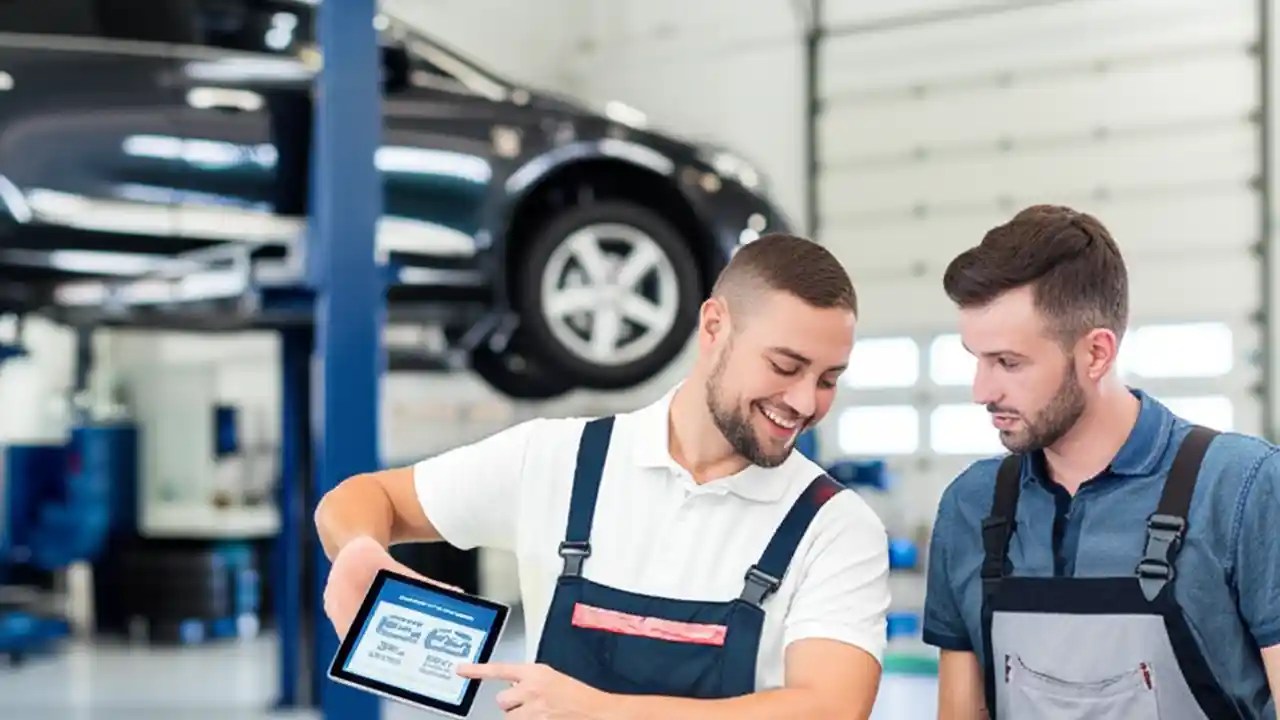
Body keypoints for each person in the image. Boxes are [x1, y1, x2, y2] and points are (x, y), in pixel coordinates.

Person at [316, 232, 891, 719]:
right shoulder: (555, 459)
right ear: (714, 327)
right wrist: (360, 554)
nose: (804, 401)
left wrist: (598, 709)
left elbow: (829, 708)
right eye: (785, 366)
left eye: (828, 379)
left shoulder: (833, 526)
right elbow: (363, 499)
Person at [922, 204, 1280, 719]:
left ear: (1096, 354)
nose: (982, 390)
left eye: (1008, 362)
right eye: (975, 358)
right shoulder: (970, 505)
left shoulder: (1242, 489)